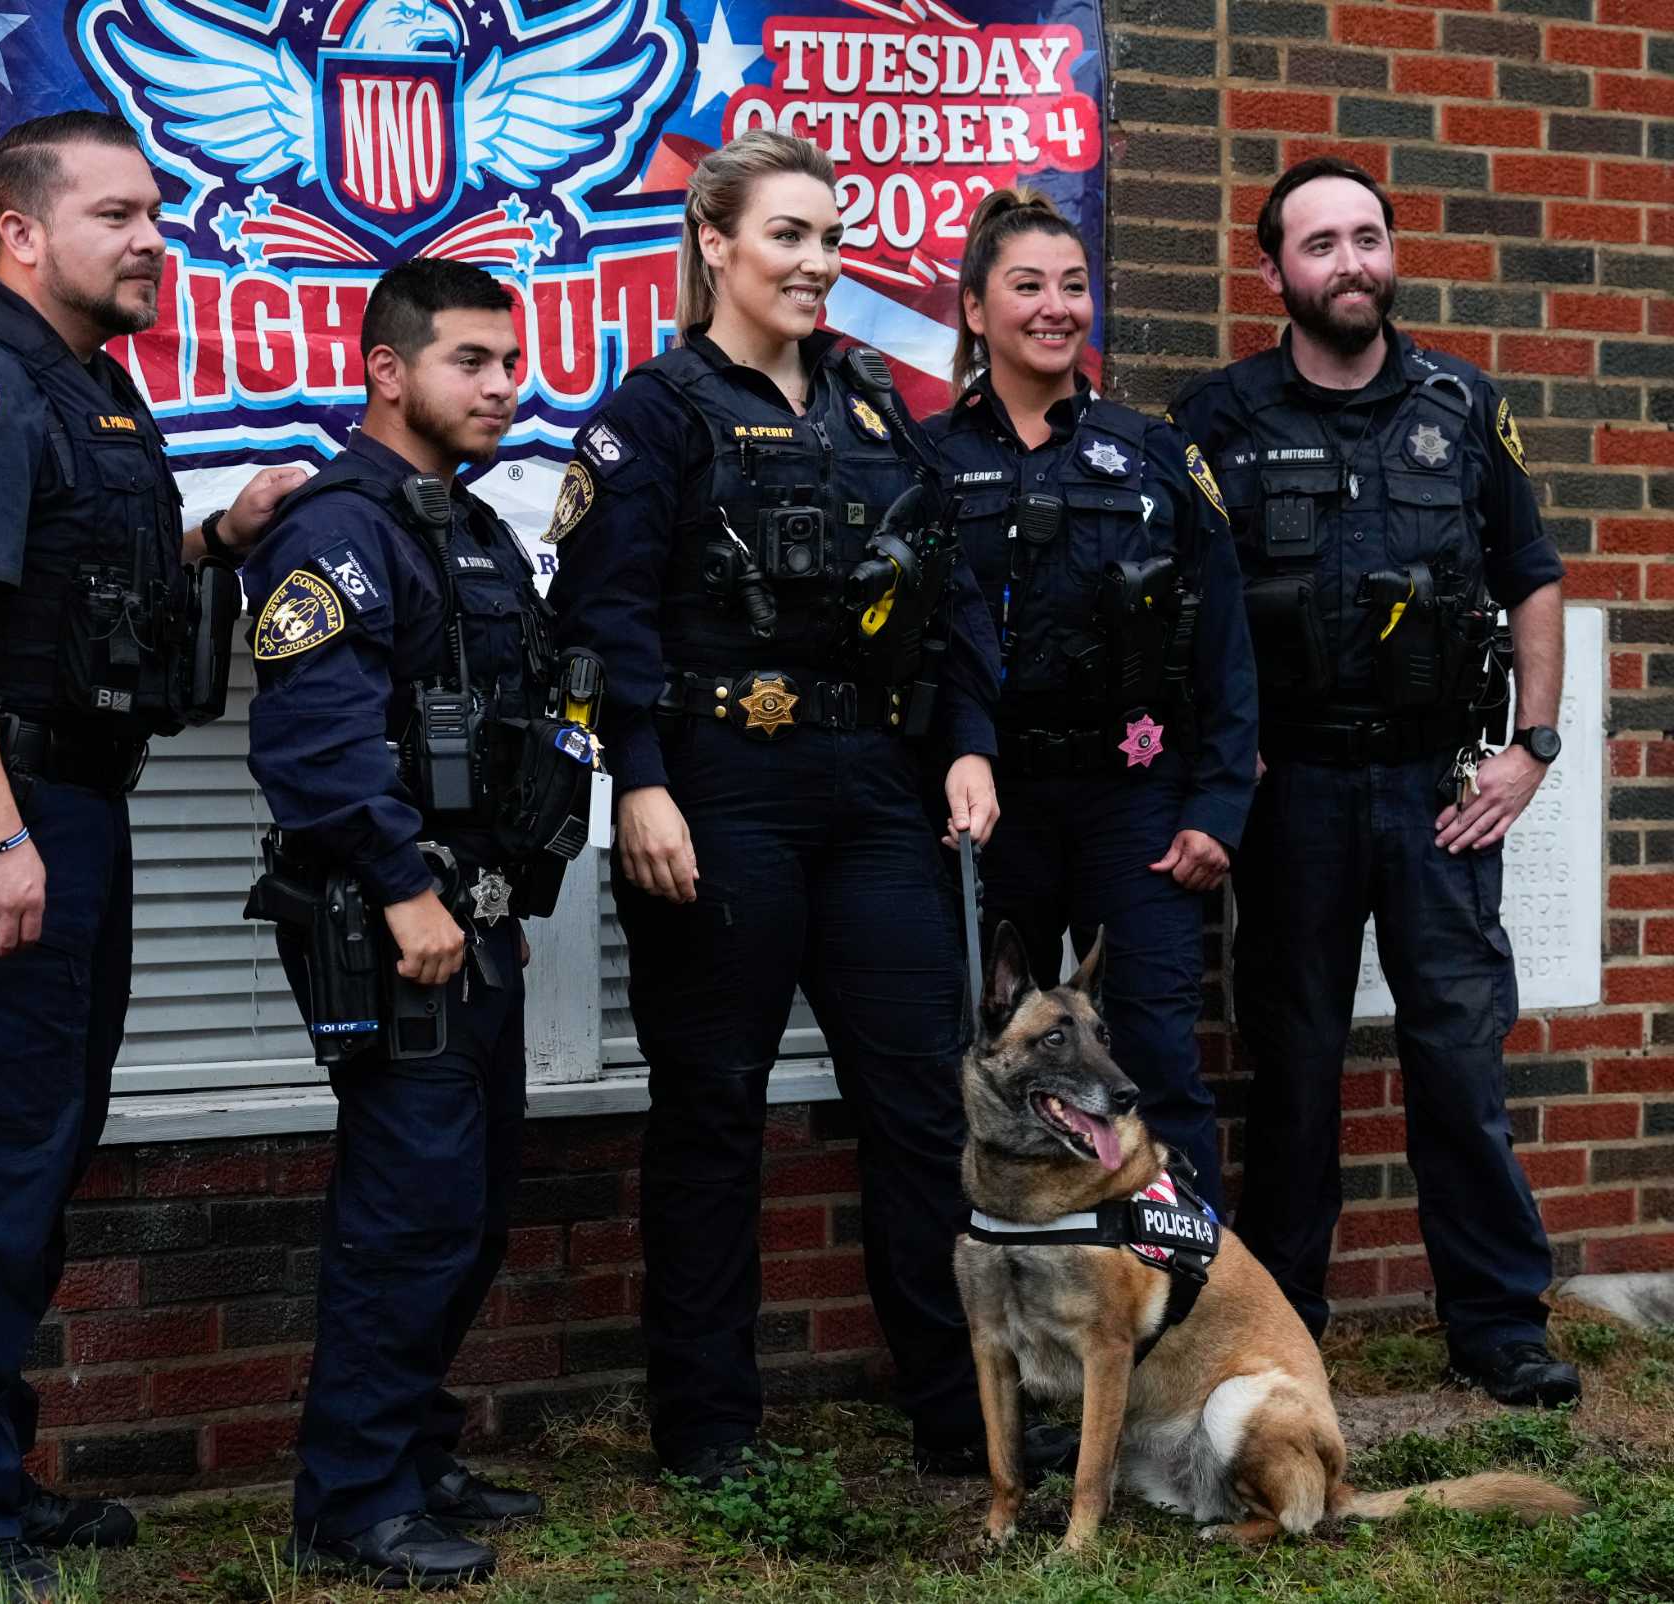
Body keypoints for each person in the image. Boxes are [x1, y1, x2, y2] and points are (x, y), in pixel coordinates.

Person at [0, 112, 304, 1601]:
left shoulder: (86, 393)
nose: (152, 236)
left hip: (69, 816)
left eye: (155, 212)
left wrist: (213, 541)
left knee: (34, 1166)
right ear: (19, 234)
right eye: (117, 213)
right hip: (6, 818)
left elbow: (70, 578)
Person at [545, 129, 1003, 1485]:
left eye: (829, 235)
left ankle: (953, 1409)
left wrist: (969, 745)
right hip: (717, 800)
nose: (819, 261)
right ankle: (708, 1426)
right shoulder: (655, 412)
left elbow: (948, 597)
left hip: (874, 802)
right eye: (790, 235)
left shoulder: (870, 409)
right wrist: (637, 780)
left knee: (920, 1111)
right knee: (712, 1114)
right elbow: (600, 619)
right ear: (715, 244)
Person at [1171, 156, 1577, 1407]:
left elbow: (1530, 574)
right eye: (1319, 244)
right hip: (1288, 794)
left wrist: (1531, 746)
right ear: (1273, 273)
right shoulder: (1215, 421)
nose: (1349, 262)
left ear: (1389, 252)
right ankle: (1276, 1323)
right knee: (1288, 1069)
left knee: (1457, 1060)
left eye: (1366, 237)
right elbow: (1178, 605)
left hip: (1433, 795)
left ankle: (1498, 1328)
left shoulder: (1459, 404)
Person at [241, 258, 598, 1588]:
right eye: (471, 361)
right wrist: (403, 891)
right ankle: (352, 1497)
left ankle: (411, 1447)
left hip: (475, 913)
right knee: (412, 1207)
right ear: (387, 370)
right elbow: (316, 740)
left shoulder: (466, 522)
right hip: (394, 919)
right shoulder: (340, 530)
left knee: (473, 1199)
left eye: (510, 362)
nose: (503, 384)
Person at [922, 189, 1256, 1199]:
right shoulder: (925, 459)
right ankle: (1020, 1292)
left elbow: (1223, 633)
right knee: (989, 1063)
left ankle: (1183, 1306)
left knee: (1152, 1056)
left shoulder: (1151, 451)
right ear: (975, 310)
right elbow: (921, 645)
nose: (1054, 306)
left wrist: (1217, 804)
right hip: (991, 811)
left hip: (1134, 803)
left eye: (1072, 285)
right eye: (1026, 286)